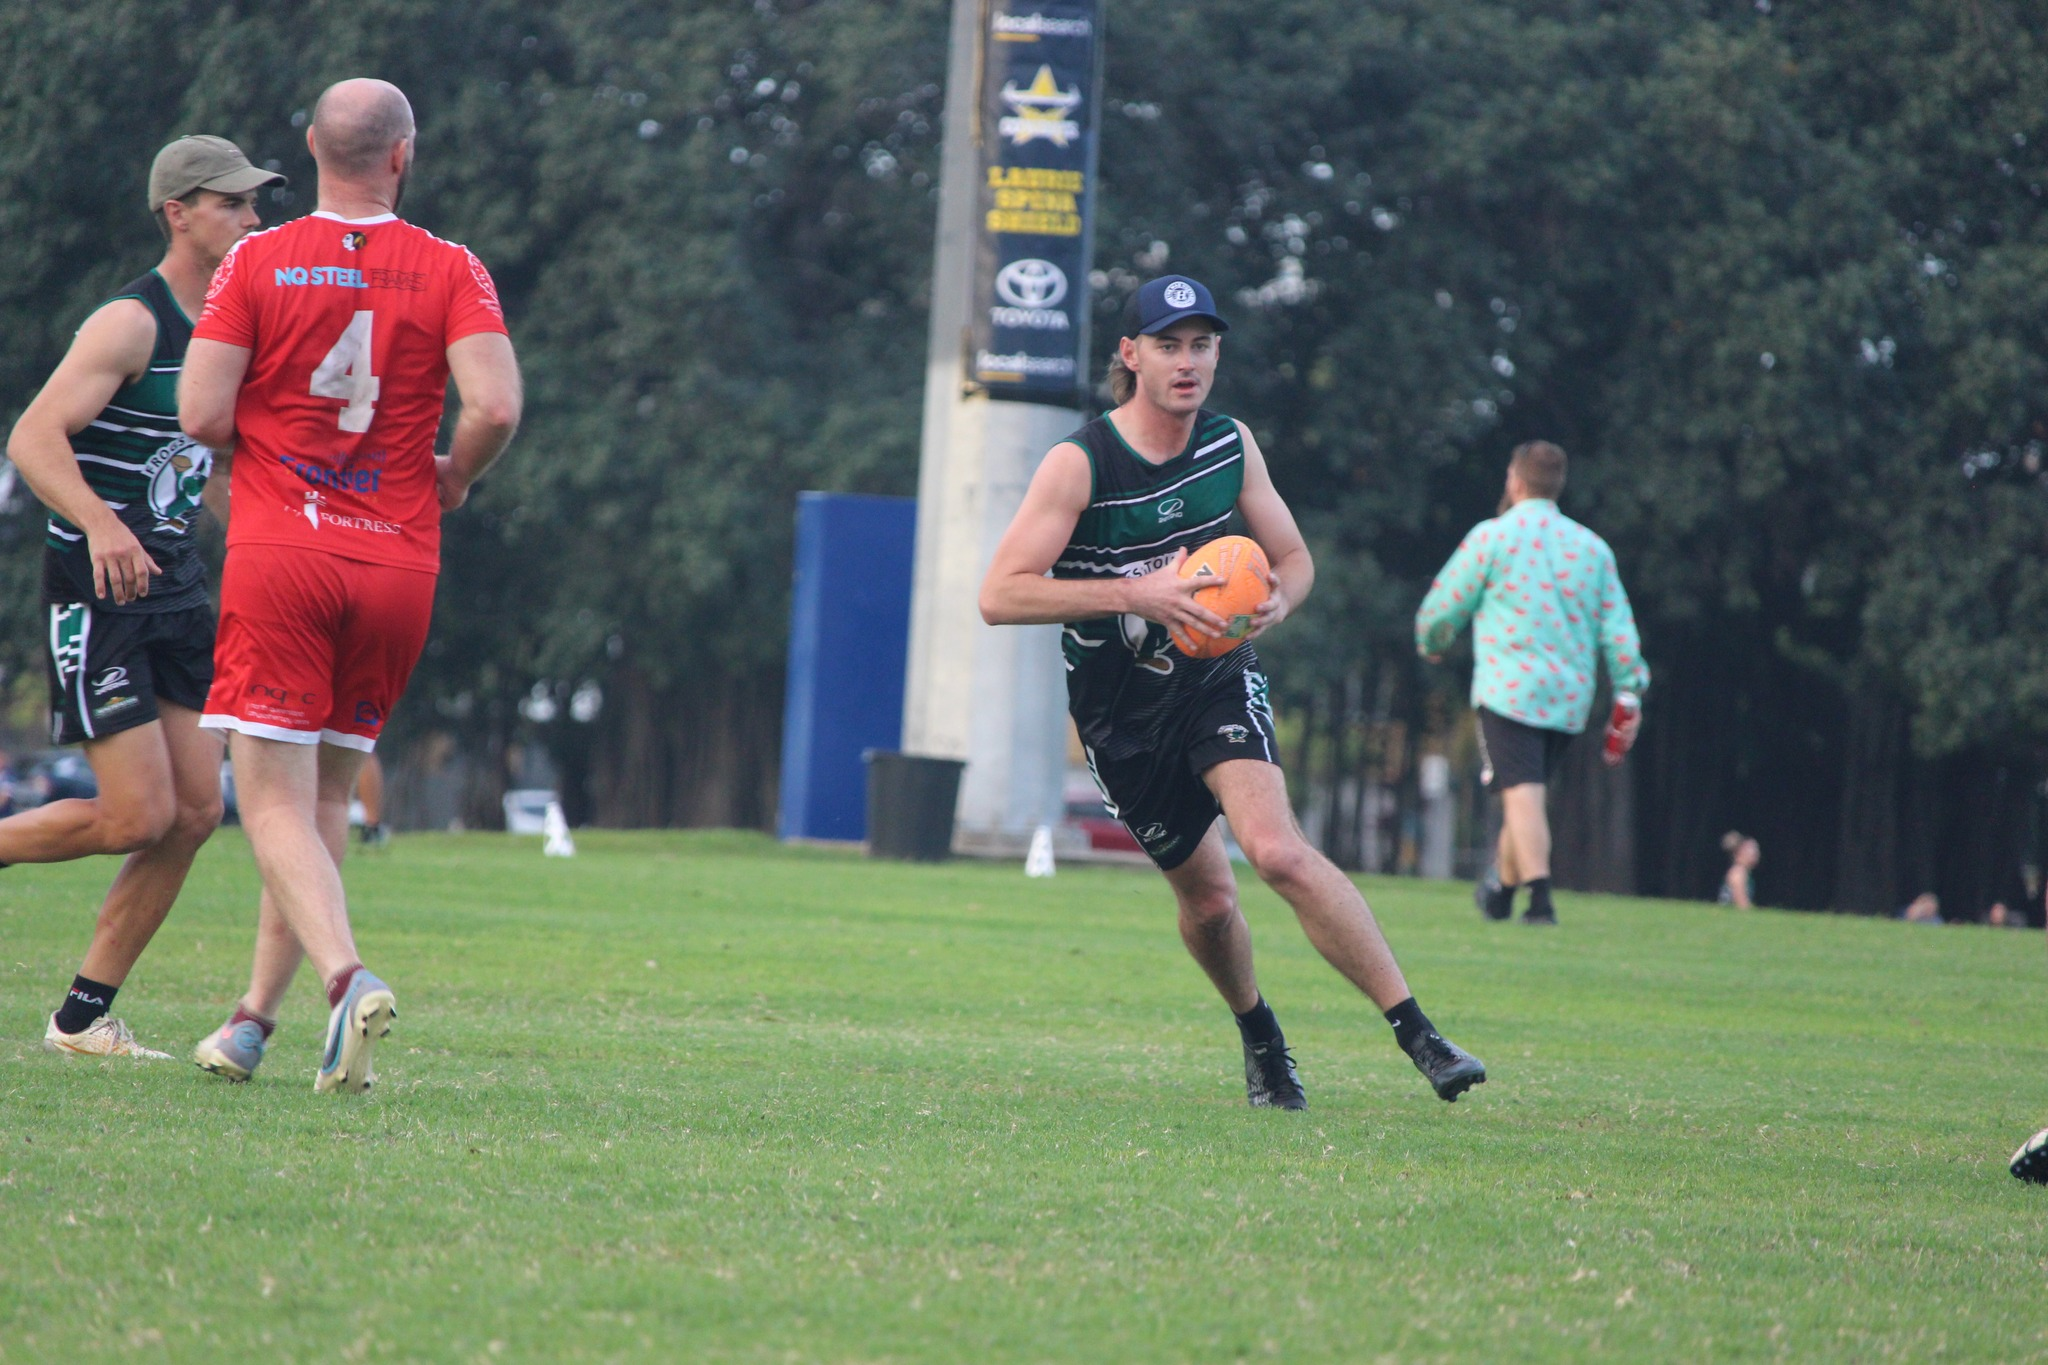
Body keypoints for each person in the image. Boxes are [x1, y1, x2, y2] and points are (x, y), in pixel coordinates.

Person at [978, 275, 1486, 1109]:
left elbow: (1293, 560)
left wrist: (1276, 602)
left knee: (1278, 850)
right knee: (1211, 900)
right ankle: (1262, 1037)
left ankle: (1421, 1035)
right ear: (1130, 355)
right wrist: (1134, 594)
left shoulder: (1229, 444)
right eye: (1169, 345)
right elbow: (1001, 595)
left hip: (1214, 678)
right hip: (1120, 717)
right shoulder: (1081, 463)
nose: (1188, 362)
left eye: (1202, 345)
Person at [179, 79, 522, 1092]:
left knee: (269, 795)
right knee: (323, 794)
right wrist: (454, 470)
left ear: (311, 152)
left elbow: (200, 416)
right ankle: (251, 1021)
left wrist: (283, 454)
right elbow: (494, 406)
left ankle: (344, 980)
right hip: (398, 561)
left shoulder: (256, 257)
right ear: (402, 156)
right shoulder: (452, 267)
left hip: (284, 549)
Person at [4, 137, 281, 1059]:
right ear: (180, 212)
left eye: (254, 203)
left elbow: (201, 463)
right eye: (234, 204)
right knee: (134, 815)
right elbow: (34, 439)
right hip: (99, 587)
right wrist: (103, 524)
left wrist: (272, 547)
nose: (253, 218)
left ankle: (81, 1020)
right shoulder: (130, 322)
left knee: (198, 812)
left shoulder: (235, 326)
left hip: (178, 591)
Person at [1416, 441, 1648, 925]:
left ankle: (1540, 899)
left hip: (1508, 690)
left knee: (1522, 793)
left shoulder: (1493, 536)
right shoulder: (1593, 548)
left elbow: (1446, 600)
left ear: (1515, 481)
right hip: (1569, 698)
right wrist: (1629, 687)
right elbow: (1619, 627)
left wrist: (1433, 639)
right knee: (1528, 793)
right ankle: (1500, 891)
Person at [1717, 831, 1760, 908]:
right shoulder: (1738, 873)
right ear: (1740, 851)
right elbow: (1742, 903)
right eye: (1751, 850)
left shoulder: (1743, 872)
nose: (1756, 854)